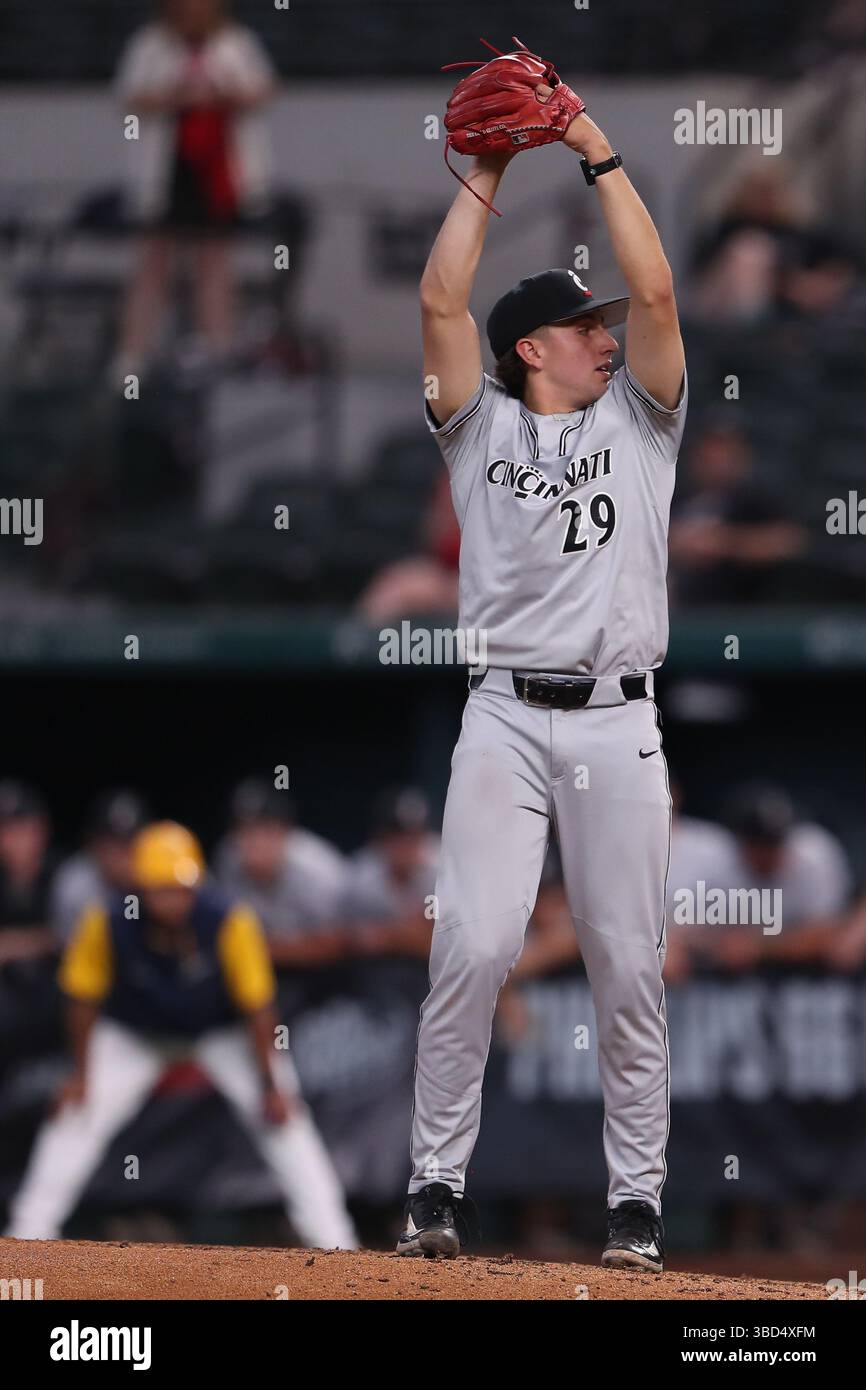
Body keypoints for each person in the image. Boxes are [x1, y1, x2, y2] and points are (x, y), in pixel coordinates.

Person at [398, 88, 686, 1273]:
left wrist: (590, 149)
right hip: (504, 715)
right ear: (530, 347)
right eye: (583, 326)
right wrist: (481, 172)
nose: (606, 334)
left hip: (619, 721)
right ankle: (431, 1187)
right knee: (470, 939)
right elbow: (435, 300)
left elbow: (661, 293)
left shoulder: (641, 424)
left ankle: (635, 1206)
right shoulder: (479, 429)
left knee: (625, 959)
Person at [5, 821, 357, 1249]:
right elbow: (81, 998)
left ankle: (337, 1242)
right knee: (76, 1113)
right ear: (141, 887)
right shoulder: (109, 920)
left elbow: (258, 1007)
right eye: (162, 889)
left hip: (219, 1032)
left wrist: (269, 1085)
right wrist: (81, 1074)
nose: (175, 899)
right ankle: (27, 1236)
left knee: (286, 1119)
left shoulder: (229, 918)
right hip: (137, 1034)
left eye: (182, 888)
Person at [113, 0, 276, 380]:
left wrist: (224, 93)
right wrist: (175, 96)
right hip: (168, 171)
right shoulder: (150, 44)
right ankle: (132, 356)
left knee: (214, 261)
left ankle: (215, 348)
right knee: (154, 262)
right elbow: (130, 97)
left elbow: (263, 91)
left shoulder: (237, 42)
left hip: (216, 170)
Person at [704, 784, 852, 973]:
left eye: (776, 842)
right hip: (732, 984)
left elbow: (833, 935)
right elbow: (688, 933)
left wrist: (761, 947)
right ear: (740, 841)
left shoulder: (815, 854)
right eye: (760, 843)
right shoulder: (717, 862)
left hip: (810, 978)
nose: (770, 851)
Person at [214, 778, 350, 968]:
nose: (256, 841)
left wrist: (264, 950)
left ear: (287, 832)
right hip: (259, 969)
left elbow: (341, 943)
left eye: (266, 830)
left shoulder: (319, 870)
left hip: (323, 972)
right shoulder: (228, 858)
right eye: (245, 830)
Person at [341, 789, 439, 957]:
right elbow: (349, 940)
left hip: (433, 965)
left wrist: (391, 935)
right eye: (396, 835)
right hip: (379, 965)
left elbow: (449, 943)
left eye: (412, 835)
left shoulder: (444, 867)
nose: (404, 844)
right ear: (380, 837)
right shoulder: (362, 875)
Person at [50, 789, 150, 943]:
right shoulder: (76, 885)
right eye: (112, 845)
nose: (122, 856)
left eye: (129, 844)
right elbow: (69, 947)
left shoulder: (159, 876)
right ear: (93, 845)